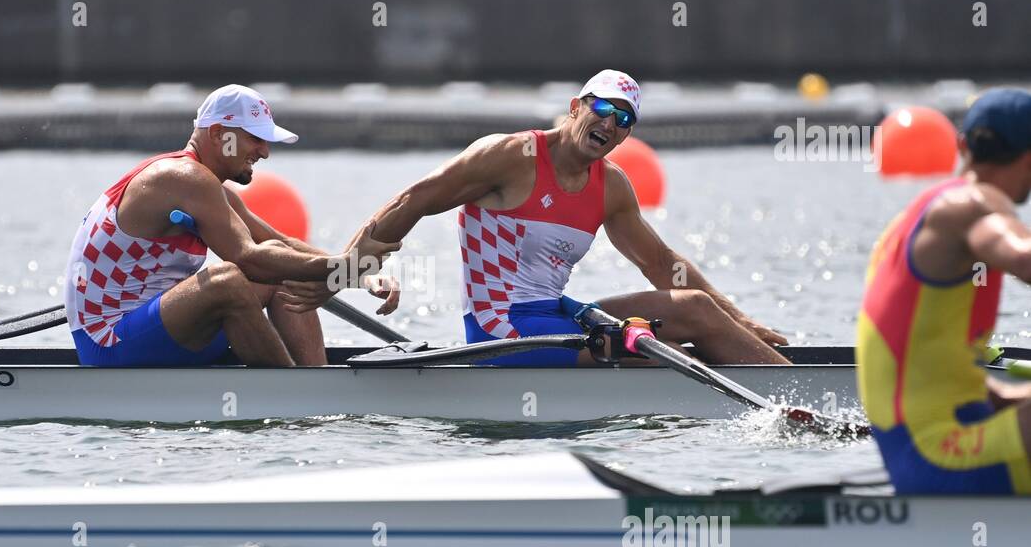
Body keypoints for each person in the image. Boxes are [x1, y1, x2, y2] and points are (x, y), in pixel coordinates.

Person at [282, 69, 787, 366]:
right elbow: (411, 202)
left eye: (624, 120)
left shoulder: (610, 186)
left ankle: (789, 384)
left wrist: (739, 320)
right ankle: (777, 397)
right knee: (669, 350)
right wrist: (343, 272)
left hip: (559, 315)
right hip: (500, 330)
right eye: (604, 109)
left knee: (696, 308)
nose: (611, 124)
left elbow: (659, 263)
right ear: (576, 106)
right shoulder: (508, 157)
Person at [64, 84, 397, 367]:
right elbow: (248, 259)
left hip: (157, 331)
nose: (265, 152)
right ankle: (297, 396)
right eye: (255, 138)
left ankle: (318, 383)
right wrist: (345, 264)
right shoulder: (181, 177)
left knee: (281, 264)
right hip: (109, 342)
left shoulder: (208, 188)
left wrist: (361, 274)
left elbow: (280, 244)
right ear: (218, 134)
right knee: (228, 279)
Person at [857, 88, 1031, 493]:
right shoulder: (974, 206)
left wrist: (1012, 396)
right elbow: (1024, 258)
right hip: (945, 458)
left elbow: (927, 367)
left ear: (963, 146)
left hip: (917, 453)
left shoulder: (917, 215)